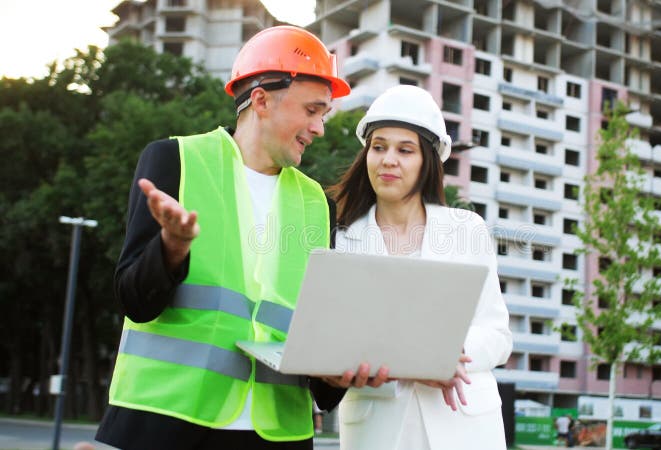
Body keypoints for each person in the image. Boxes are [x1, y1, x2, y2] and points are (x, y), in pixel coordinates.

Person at [95, 25, 387, 450]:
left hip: (277, 434)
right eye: (312, 110)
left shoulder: (315, 203)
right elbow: (134, 302)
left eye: (323, 114)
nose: (319, 128)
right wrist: (172, 246)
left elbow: (313, 339)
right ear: (261, 100)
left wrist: (336, 372)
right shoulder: (175, 160)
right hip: (166, 423)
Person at [329, 84, 513, 450]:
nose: (388, 159)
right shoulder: (339, 236)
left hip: (464, 426)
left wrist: (445, 355)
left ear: (427, 160)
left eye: (405, 150)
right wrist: (417, 361)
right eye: (378, 147)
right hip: (378, 427)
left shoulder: (466, 230)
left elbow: (497, 335)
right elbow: (334, 340)